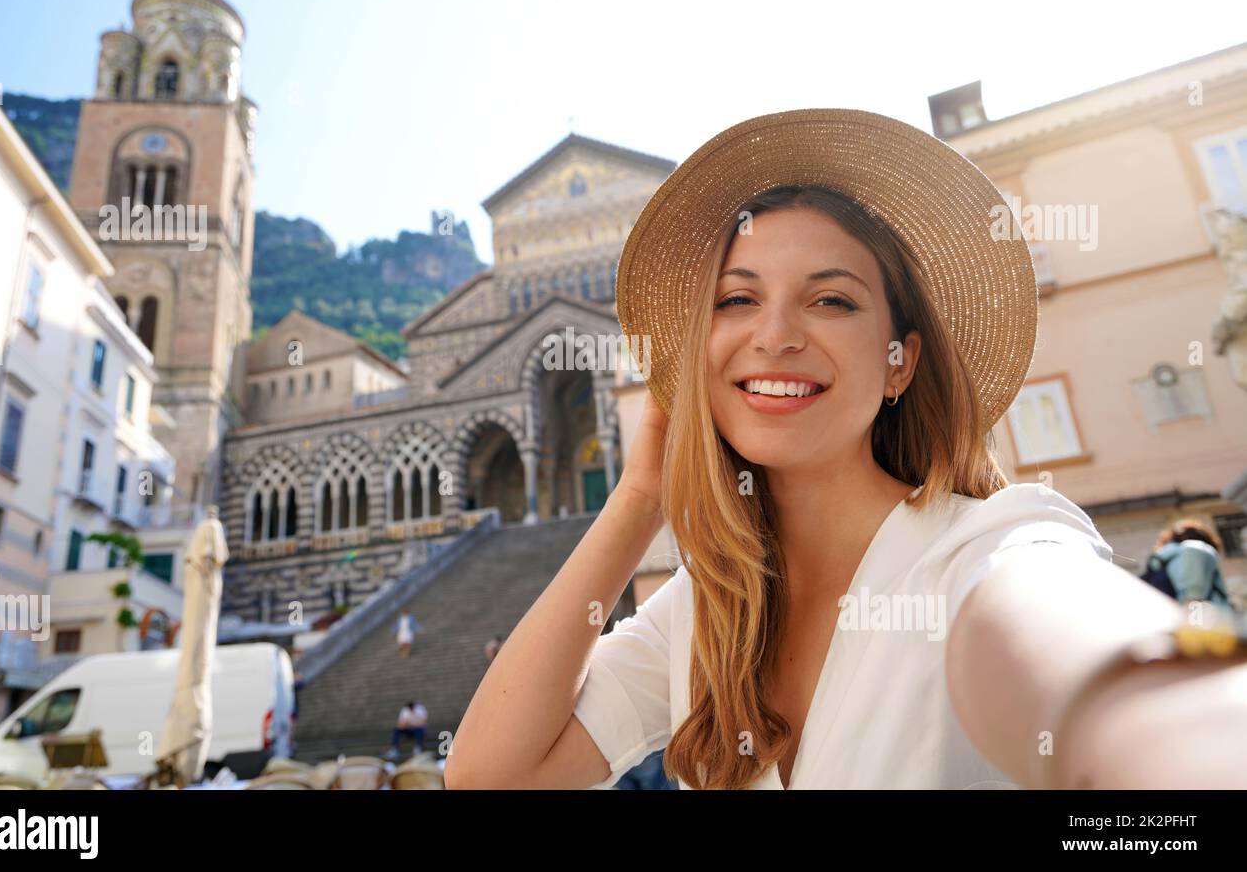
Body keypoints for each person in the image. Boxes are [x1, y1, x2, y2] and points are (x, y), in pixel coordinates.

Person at [446, 109, 1247, 790]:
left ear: (900, 360)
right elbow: (487, 777)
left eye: (831, 299)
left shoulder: (991, 548)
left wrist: (1179, 724)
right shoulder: (706, 610)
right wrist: (638, 498)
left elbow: (1080, 646)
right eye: (737, 298)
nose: (776, 334)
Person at [1140, 516, 1234, 611]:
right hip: (1206, 617)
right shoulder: (1194, 548)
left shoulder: (1164, 558)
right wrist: (1195, 620)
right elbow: (1194, 595)